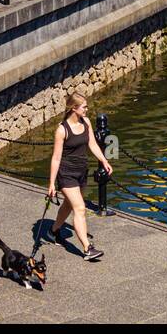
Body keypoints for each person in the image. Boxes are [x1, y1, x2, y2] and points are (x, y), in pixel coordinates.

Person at [46, 93, 111, 261]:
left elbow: (92, 144)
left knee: (69, 204)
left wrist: (104, 161)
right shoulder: (62, 130)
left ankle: (53, 232)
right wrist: (52, 183)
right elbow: (56, 158)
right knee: (80, 208)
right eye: (84, 107)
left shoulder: (86, 122)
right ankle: (87, 248)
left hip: (81, 172)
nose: (87, 109)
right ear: (74, 108)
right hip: (66, 174)